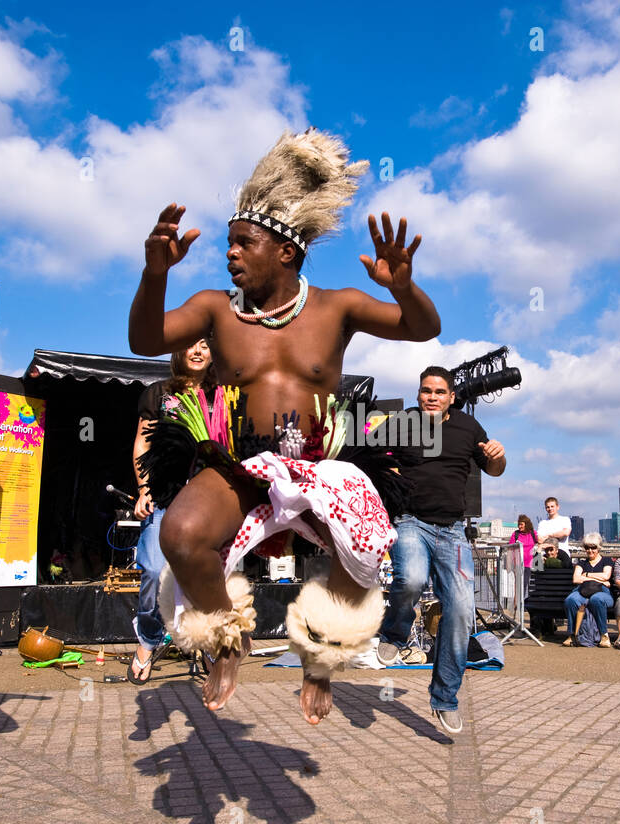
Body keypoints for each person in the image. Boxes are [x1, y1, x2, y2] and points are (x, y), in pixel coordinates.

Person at [128, 130, 442, 725]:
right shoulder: (215, 309)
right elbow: (144, 340)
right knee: (180, 534)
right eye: (228, 244)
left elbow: (422, 329)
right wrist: (155, 275)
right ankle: (226, 641)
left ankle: (319, 661)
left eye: (243, 244)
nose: (230, 254)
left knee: (368, 551)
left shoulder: (337, 306)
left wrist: (403, 287)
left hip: (322, 463)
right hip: (243, 463)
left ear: (286, 253)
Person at [375, 368, 506, 734]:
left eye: (439, 392)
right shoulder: (401, 423)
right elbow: (368, 456)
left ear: (451, 397)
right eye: (425, 391)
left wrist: (497, 456)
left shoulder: (468, 428)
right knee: (412, 579)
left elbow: (495, 470)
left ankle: (445, 698)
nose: (431, 397)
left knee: (463, 613)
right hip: (411, 522)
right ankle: (394, 634)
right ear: (419, 394)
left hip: (453, 532)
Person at [127, 339, 215, 684]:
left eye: (206, 345)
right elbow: (142, 442)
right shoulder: (158, 393)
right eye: (191, 345)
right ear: (178, 352)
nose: (198, 351)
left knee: (209, 577)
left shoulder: (222, 394)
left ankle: (207, 640)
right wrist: (144, 488)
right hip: (164, 497)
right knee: (151, 569)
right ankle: (148, 640)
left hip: (208, 500)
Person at [563, 533, 613, 647]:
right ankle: (572, 634)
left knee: (597, 599)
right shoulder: (582, 563)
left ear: (599, 547)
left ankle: (604, 635)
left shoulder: (607, 561)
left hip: (602, 592)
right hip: (582, 591)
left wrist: (586, 575)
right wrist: (600, 579)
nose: (590, 550)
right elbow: (576, 579)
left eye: (593, 547)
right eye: (587, 547)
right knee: (570, 600)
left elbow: (606, 576)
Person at [509, 514, 537, 597]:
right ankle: (520, 604)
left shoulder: (533, 533)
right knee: (520, 584)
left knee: (528, 584)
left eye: (521, 524)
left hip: (530, 564)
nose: (519, 526)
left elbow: (540, 541)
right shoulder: (516, 534)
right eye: (519, 524)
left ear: (526, 524)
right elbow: (510, 547)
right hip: (518, 563)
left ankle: (526, 603)